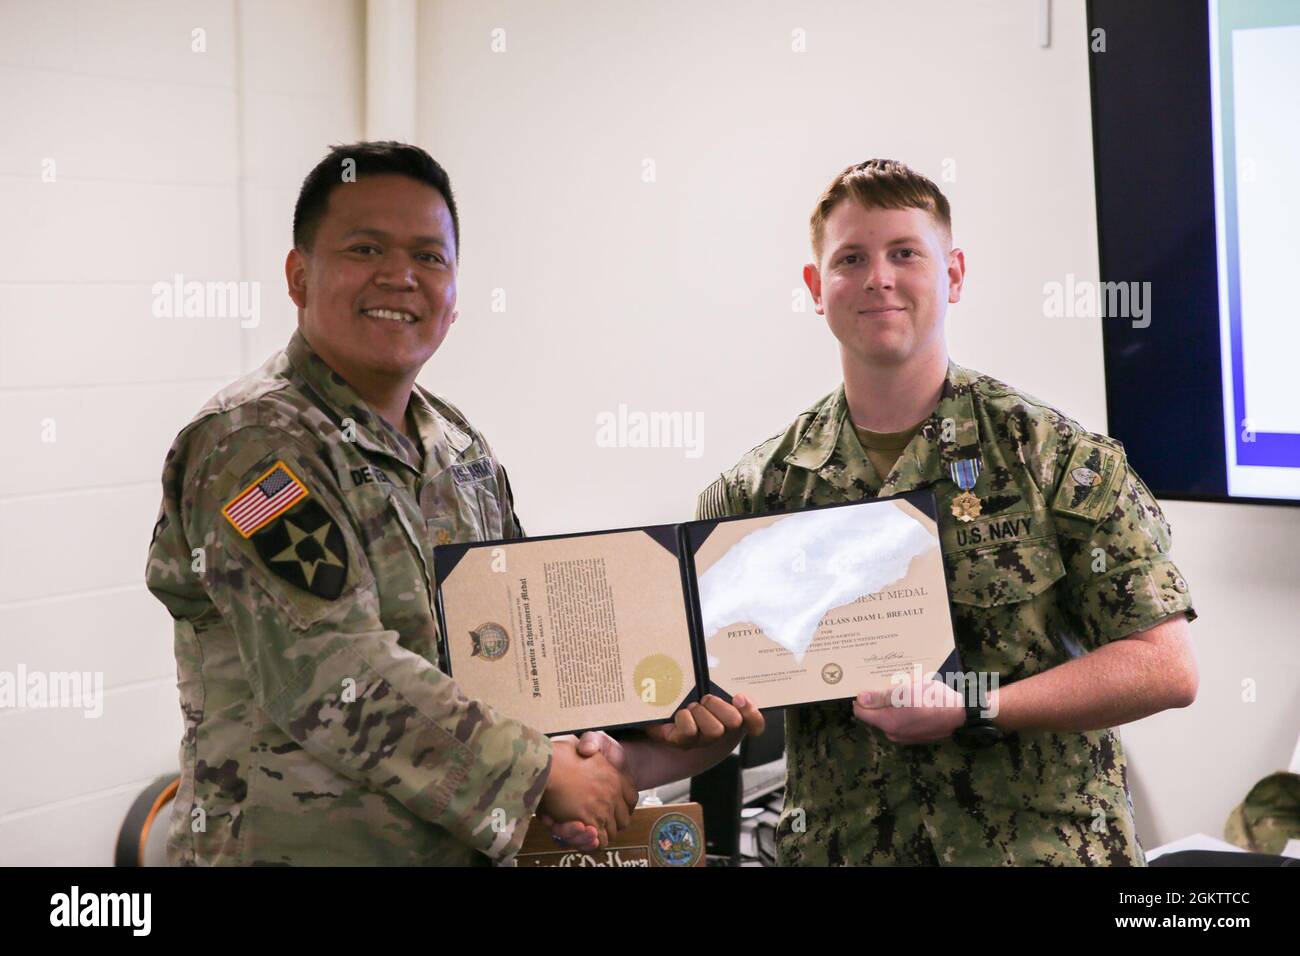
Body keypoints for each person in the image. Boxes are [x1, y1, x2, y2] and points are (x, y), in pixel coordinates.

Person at [145, 141, 759, 865]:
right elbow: (333, 668)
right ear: (298, 275)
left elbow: (531, 661)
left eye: (429, 257)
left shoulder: (458, 447)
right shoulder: (251, 445)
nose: (400, 276)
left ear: (456, 291)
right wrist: (540, 774)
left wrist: (644, 729)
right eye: (366, 247)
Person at [691, 159, 1199, 866]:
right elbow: (716, 699)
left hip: (1037, 850)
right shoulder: (761, 492)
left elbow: (1164, 668)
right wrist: (616, 762)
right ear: (816, 287)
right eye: (851, 258)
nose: (880, 279)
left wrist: (976, 704)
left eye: (905, 253)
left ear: (954, 274)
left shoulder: (1054, 458)